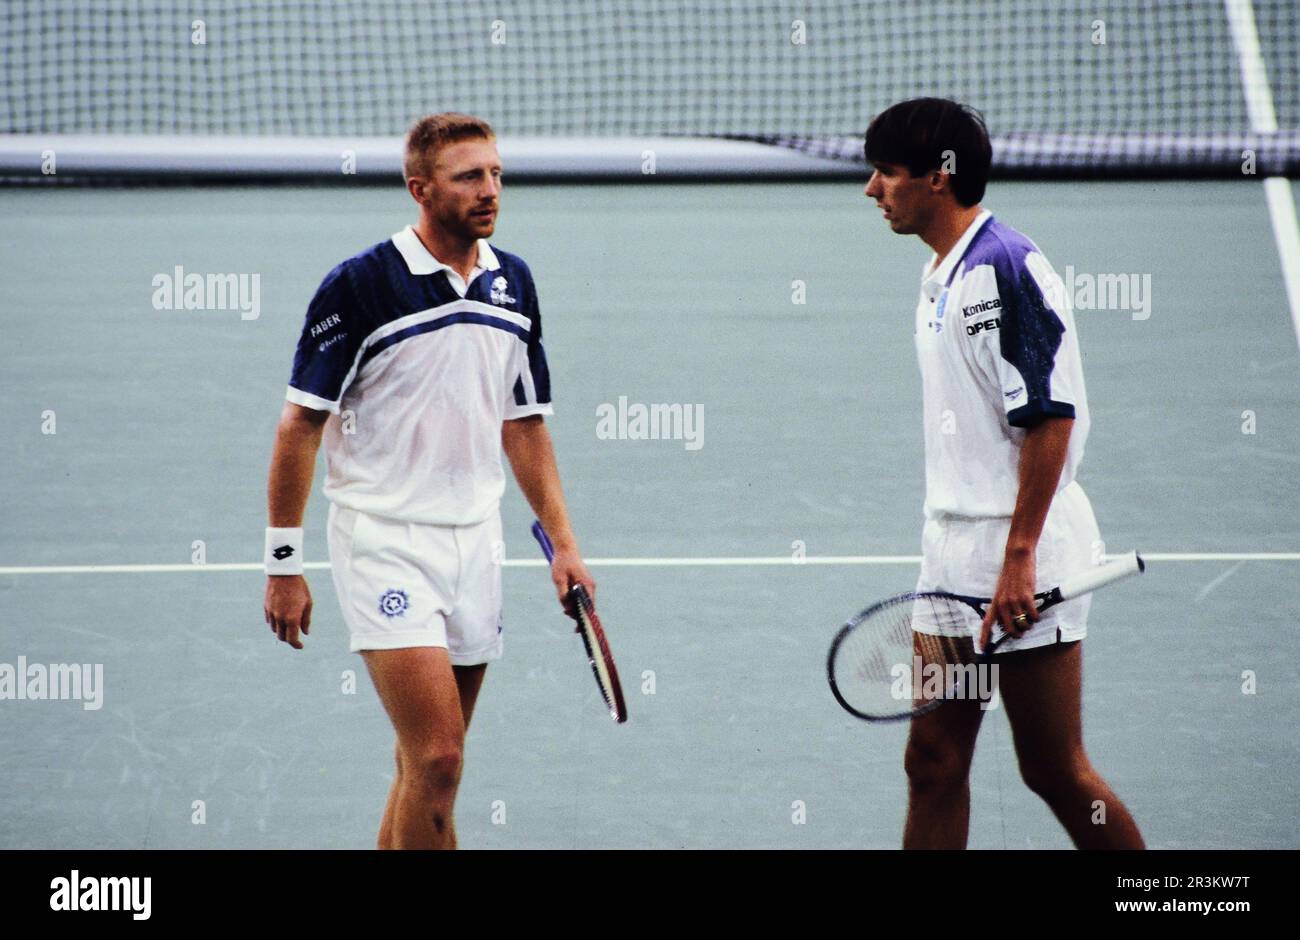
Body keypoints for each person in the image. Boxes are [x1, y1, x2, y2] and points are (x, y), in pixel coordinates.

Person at [261, 112, 593, 849]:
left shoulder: (514, 281)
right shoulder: (359, 285)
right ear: (420, 188)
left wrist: (563, 545)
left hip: (477, 542)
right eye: (469, 176)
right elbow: (300, 426)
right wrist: (284, 565)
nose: (491, 189)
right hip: (383, 539)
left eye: (497, 173)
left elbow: (525, 423)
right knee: (438, 758)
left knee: (428, 764)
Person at [862, 97, 1144, 849]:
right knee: (932, 759)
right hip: (953, 551)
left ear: (938, 179)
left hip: (1024, 550)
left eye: (886, 172)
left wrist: (1018, 558)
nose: (871, 189)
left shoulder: (1005, 270)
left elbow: (1052, 418)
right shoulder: (942, 273)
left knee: (1052, 769)